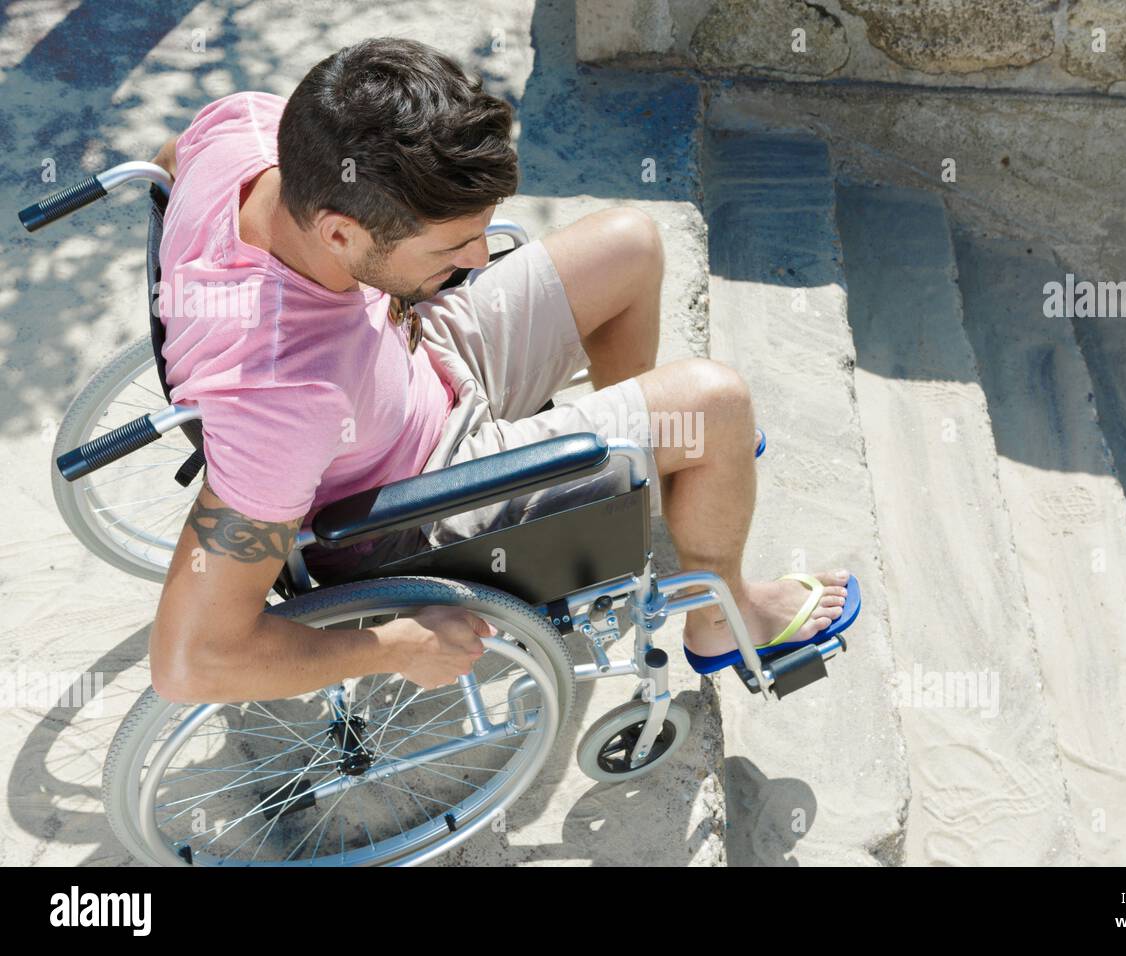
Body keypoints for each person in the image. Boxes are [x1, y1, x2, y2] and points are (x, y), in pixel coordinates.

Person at [149, 37, 852, 704]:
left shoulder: (244, 130)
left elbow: (171, 158)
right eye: (454, 245)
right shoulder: (280, 399)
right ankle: (721, 617)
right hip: (425, 495)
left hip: (417, 357)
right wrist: (390, 644)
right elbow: (192, 660)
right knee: (715, 403)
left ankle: (638, 473)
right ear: (340, 233)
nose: (483, 258)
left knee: (630, 245)